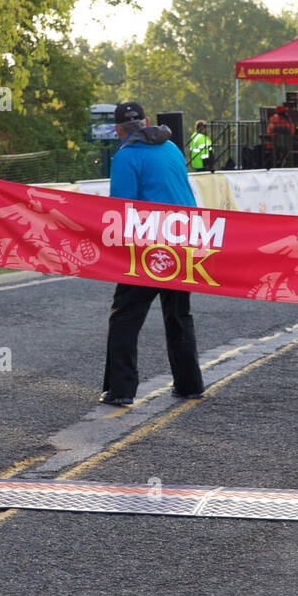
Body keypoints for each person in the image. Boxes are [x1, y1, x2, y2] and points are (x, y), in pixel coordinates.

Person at [100, 101, 205, 406]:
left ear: (118, 130)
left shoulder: (126, 156)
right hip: (183, 240)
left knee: (125, 317)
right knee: (179, 316)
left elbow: (122, 209)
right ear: (146, 121)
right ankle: (189, 385)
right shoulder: (171, 147)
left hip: (149, 245)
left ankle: (121, 390)